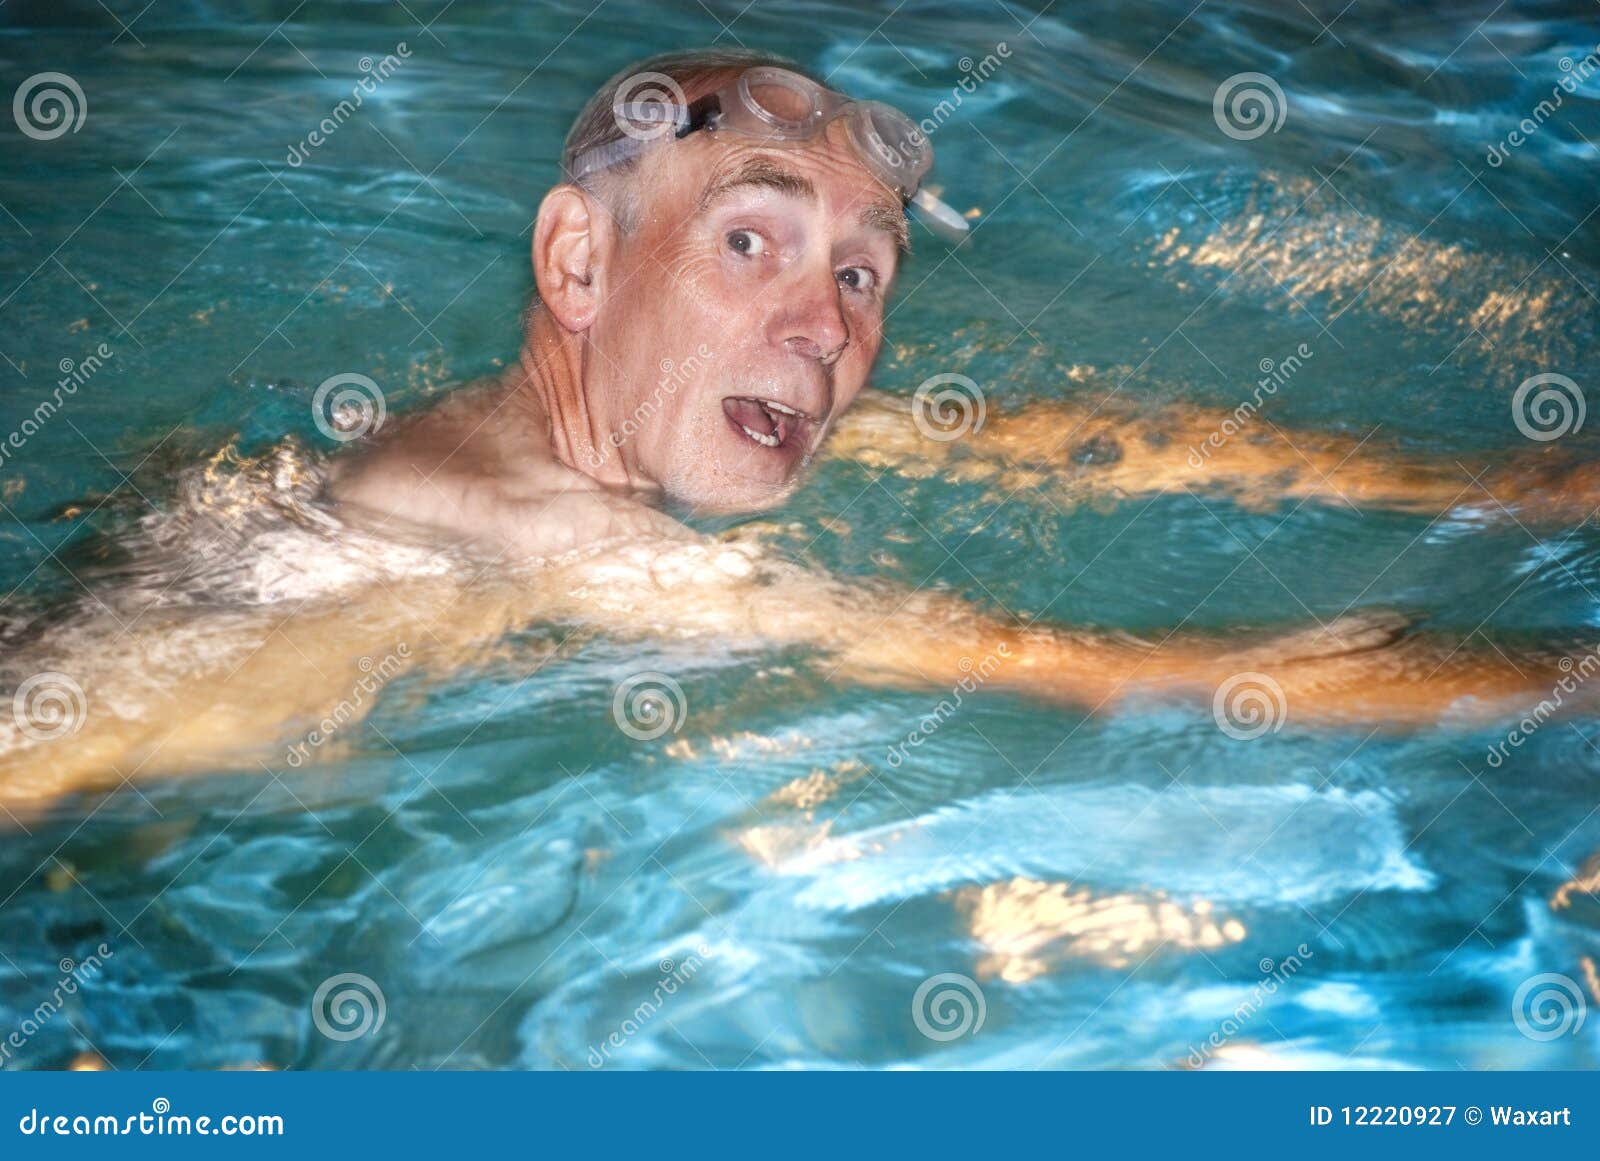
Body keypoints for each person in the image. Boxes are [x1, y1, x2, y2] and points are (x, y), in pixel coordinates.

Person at [0, 49, 1576, 817]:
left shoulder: (569, 418)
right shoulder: (561, 529)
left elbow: (1064, 439)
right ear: (577, 262)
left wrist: (1503, 486)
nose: (828, 331)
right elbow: (1085, 669)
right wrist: (1561, 684)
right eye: (749, 241)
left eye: (862, 273)